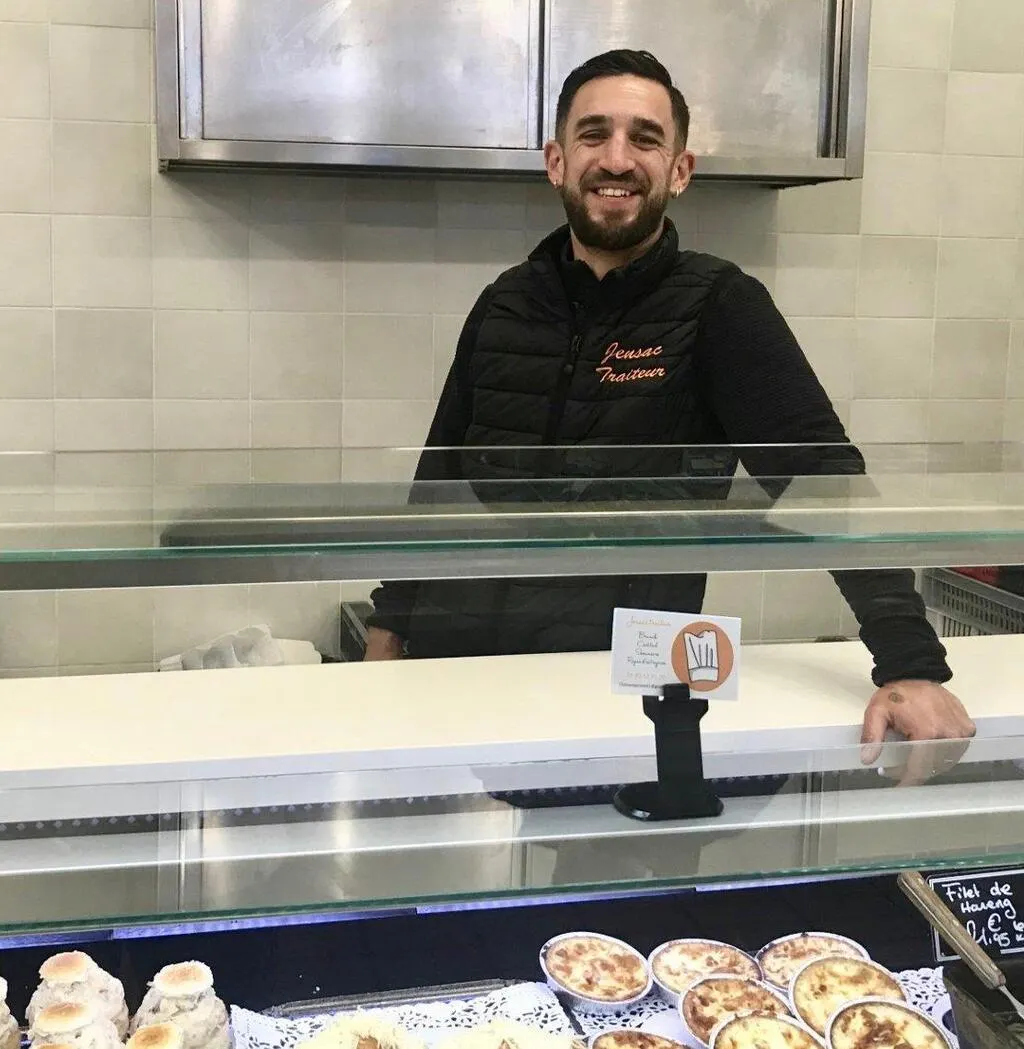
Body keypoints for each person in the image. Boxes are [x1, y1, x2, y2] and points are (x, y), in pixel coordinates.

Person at [365, 49, 975, 765]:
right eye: (594, 135)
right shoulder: (504, 302)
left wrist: (910, 663)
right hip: (463, 676)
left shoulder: (720, 305)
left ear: (679, 170)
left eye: (645, 139)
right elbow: (438, 481)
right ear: (556, 161)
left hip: (626, 697)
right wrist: (390, 626)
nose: (617, 159)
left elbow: (821, 478)